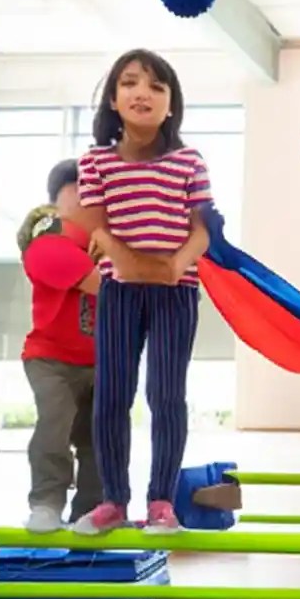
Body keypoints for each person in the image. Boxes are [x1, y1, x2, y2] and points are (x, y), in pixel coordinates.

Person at [71, 49, 212, 536]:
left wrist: (177, 262)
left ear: (171, 104)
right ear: (113, 98)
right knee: (112, 393)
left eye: (156, 86)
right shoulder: (96, 162)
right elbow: (96, 225)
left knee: (166, 394)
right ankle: (113, 499)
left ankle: (161, 502)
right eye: (130, 83)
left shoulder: (188, 160)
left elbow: (202, 228)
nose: (142, 93)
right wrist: (126, 260)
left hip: (176, 293)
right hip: (120, 291)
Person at [18, 159, 106, 533]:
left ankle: (90, 508)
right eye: (88, 194)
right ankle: (46, 502)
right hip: (51, 358)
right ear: (64, 196)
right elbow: (102, 282)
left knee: (99, 436)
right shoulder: (49, 232)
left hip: (100, 360)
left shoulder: (105, 238)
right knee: (55, 425)